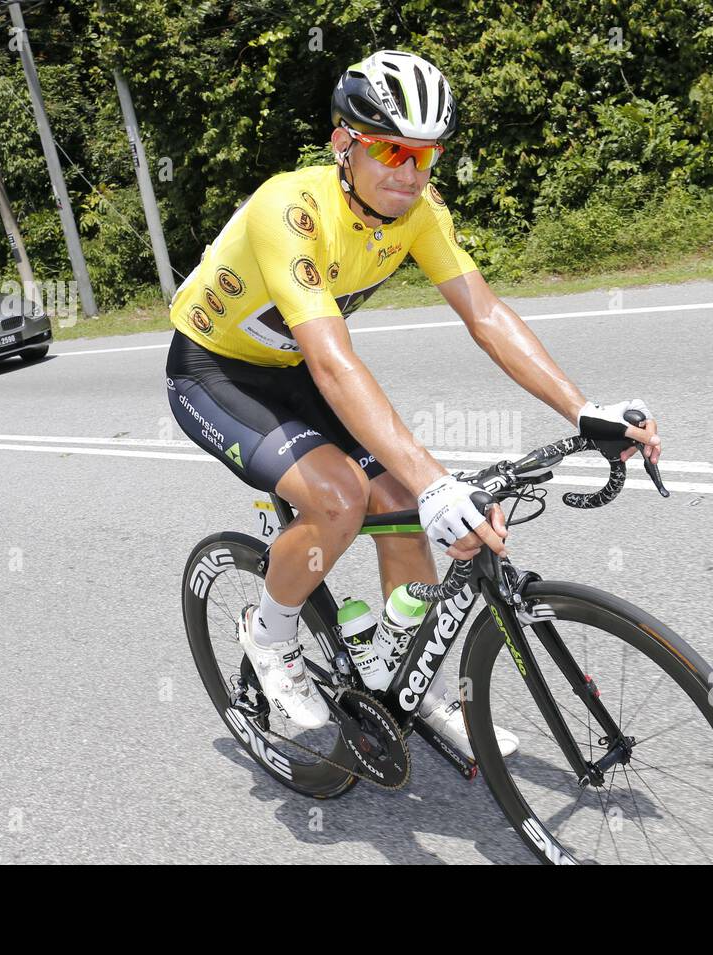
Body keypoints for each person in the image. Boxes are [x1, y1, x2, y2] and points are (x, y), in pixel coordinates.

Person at [166, 50, 661, 758]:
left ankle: (403, 675)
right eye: (392, 150)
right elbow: (335, 362)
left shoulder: (418, 210)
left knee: (398, 501)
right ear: (344, 141)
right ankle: (269, 634)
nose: (410, 171)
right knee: (342, 499)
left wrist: (582, 410)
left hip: (295, 366)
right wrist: (439, 483)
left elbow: (484, 313)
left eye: (426, 156)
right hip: (214, 371)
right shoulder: (291, 207)